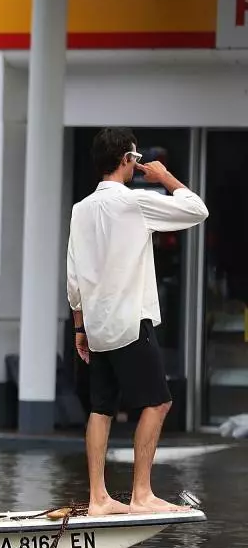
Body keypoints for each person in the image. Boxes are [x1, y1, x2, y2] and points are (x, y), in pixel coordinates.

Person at [66, 127, 209, 516]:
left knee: (101, 407)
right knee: (159, 402)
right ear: (129, 159)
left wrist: (80, 328)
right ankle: (141, 493)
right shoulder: (134, 202)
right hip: (130, 320)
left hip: (96, 325)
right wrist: (164, 178)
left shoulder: (80, 209)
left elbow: (74, 278)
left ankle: (99, 497)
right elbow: (197, 210)